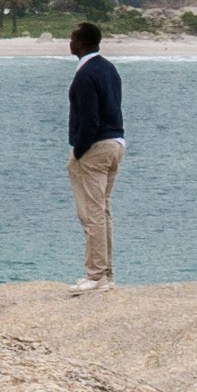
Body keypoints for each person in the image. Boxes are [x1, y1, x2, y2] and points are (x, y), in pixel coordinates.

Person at [62, 20, 126, 281]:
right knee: (102, 211)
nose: (70, 42)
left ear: (80, 44)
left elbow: (90, 120)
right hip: (116, 143)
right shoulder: (109, 69)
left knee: (91, 214)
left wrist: (78, 151)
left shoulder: (86, 75)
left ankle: (97, 275)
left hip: (96, 147)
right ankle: (105, 272)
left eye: (72, 38)